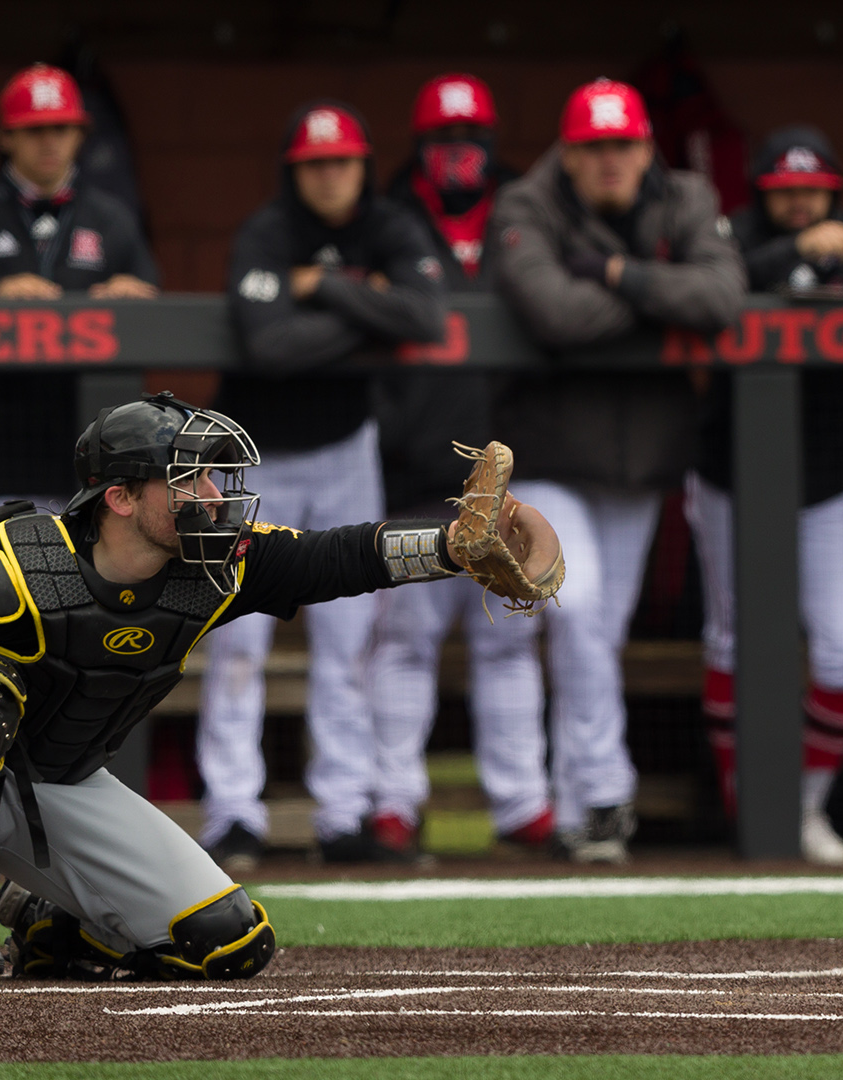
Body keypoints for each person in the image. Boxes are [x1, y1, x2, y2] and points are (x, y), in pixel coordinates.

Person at [0, 392, 559, 986]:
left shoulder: (217, 566)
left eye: (209, 475)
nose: (210, 493)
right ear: (120, 498)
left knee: (227, 944)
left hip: (50, 782)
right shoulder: (16, 562)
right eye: (185, 478)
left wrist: (452, 547)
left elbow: (339, 556)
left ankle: (52, 924)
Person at [488, 78, 744, 862]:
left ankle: (579, 812)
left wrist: (616, 274)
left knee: (598, 630)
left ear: (646, 147)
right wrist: (658, 298)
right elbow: (553, 314)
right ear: (569, 153)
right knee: (577, 607)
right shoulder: (527, 202)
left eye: (624, 145)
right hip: (547, 453)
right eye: (595, 147)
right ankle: (604, 791)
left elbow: (721, 296)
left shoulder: (686, 196)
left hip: (640, 460)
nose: (611, 160)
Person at [687, 125, 843, 865]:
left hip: (828, 479)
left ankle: (802, 806)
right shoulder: (733, 235)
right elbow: (711, 290)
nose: (800, 202)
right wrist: (798, 250)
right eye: (785, 191)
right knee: (733, 643)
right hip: (731, 476)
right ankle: (746, 802)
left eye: (813, 190)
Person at [200, 101, 447, 869]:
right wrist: (368, 305)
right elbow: (269, 345)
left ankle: (344, 812)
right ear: (294, 170)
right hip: (255, 456)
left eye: (342, 161)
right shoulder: (267, 231)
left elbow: (427, 316)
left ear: (363, 164)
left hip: (346, 449)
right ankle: (233, 814)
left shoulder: (390, 225)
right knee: (237, 636)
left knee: (350, 636)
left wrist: (324, 287)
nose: (330, 175)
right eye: (315, 164)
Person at [370, 73, 555, 856]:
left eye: (470, 137)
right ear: (421, 144)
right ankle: (393, 803)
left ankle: (523, 806)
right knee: (404, 642)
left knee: (509, 639)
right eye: (444, 139)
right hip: (416, 469)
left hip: (509, 462)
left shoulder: (522, 210)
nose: (458, 152)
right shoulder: (388, 215)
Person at [0, 63, 159, 509]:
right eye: (34, 130)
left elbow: (157, 310)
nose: (49, 142)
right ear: (5, 138)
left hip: (83, 446)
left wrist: (127, 298)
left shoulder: (112, 216)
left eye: (60, 129)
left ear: (80, 135)